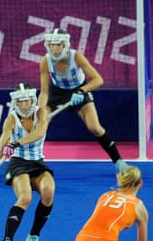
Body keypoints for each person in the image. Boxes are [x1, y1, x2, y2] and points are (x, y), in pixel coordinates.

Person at [0, 83, 56, 241]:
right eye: (19, 102)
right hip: (18, 163)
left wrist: (15, 143)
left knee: (48, 193)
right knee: (25, 197)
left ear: (32, 100)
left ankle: (33, 236)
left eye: (26, 101)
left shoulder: (41, 113)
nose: (23, 105)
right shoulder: (11, 120)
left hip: (38, 163)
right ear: (15, 103)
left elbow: (39, 133)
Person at [38, 28, 127, 172]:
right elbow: (44, 92)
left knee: (94, 127)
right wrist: (39, 111)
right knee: (40, 127)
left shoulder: (76, 57)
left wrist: (81, 91)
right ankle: (35, 162)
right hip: (56, 93)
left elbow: (98, 80)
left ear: (65, 44)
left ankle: (118, 161)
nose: (54, 48)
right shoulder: (45, 61)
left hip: (79, 90)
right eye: (51, 44)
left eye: (58, 44)